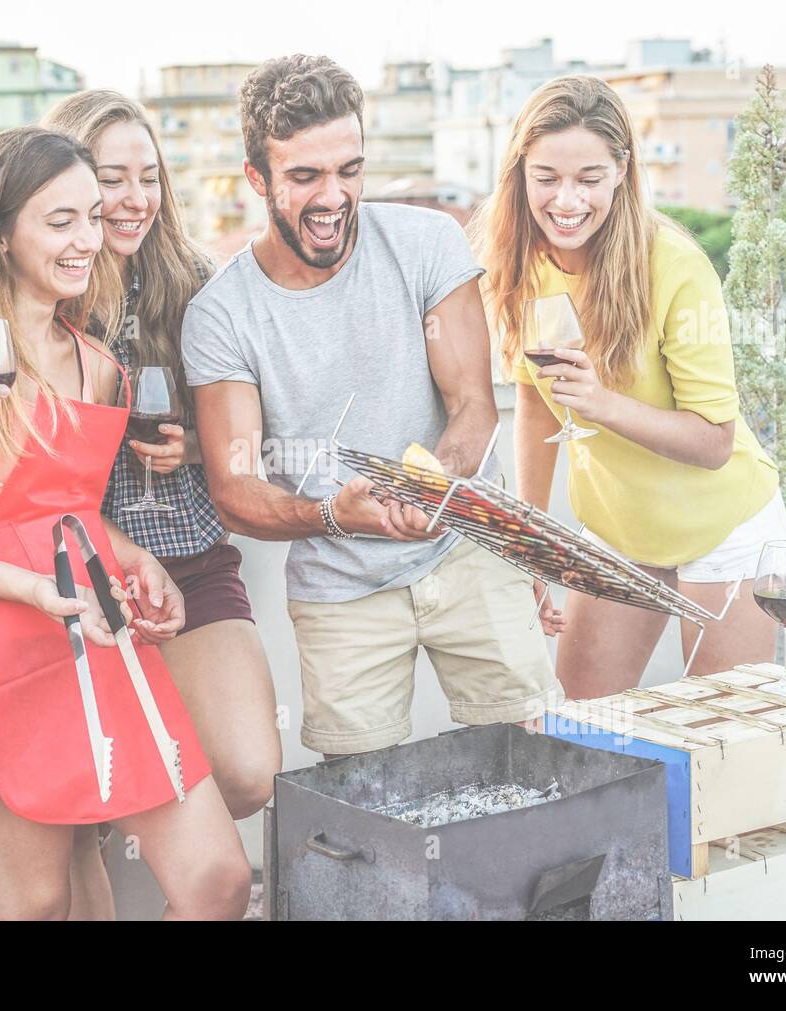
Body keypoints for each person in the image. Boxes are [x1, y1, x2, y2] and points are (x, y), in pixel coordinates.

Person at [0, 126, 251, 921]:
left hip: (102, 648)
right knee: (35, 908)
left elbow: (69, 510)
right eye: (59, 221)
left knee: (219, 880)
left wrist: (134, 554)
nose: (87, 241)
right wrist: (32, 589)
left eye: (91, 217)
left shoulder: (103, 368)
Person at [184, 55, 560, 760]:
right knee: (363, 799)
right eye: (304, 177)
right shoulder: (221, 316)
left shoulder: (427, 244)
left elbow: (475, 407)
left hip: (468, 549)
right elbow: (234, 489)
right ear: (257, 179)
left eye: (349, 170)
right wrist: (332, 514)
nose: (334, 197)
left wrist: (429, 492)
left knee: (534, 755)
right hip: (338, 589)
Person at [472, 75, 785, 699]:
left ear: (622, 170)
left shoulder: (674, 264)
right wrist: (535, 541)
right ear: (519, 174)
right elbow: (536, 401)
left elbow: (714, 441)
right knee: (586, 728)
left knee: (720, 740)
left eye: (589, 179)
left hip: (722, 530)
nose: (567, 201)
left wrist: (603, 405)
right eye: (547, 178)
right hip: (620, 531)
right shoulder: (517, 263)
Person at [43, 91, 280, 816]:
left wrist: (200, 452)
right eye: (112, 179)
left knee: (250, 773)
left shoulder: (197, 283)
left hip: (190, 559)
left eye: (148, 178)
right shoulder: (45, 291)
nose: (134, 198)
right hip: (71, 582)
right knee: (92, 807)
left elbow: (261, 433)